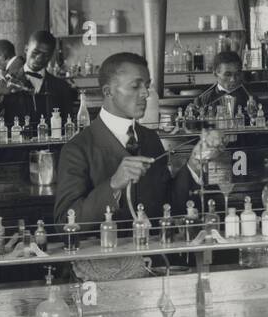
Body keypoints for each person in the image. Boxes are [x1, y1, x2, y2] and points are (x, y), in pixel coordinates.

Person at [54, 53, 218, 233]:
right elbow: (64, 223)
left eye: (147, 86)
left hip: (156, 255)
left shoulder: (150, 138)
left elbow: (168, 205)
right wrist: (113, 185)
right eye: (135, 86)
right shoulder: (77, 149)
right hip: (109, 258)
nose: (146, 94)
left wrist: (194, 162)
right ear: (108, 92)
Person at [0, 30, 77, 129]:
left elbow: (68, 126)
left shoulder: (61, 87)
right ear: (26, 49)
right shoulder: (5, 82)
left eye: (46, 55)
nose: (39, 58)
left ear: (51, 56)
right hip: (18, 144)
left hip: (50, 144)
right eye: (35, 52)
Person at [187, 51, 251, 118]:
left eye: (237, 74)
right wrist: (190, 117)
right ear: (215, 74)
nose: (233, 79)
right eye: (228, 75)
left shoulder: (249, 96)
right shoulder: (202, 101)